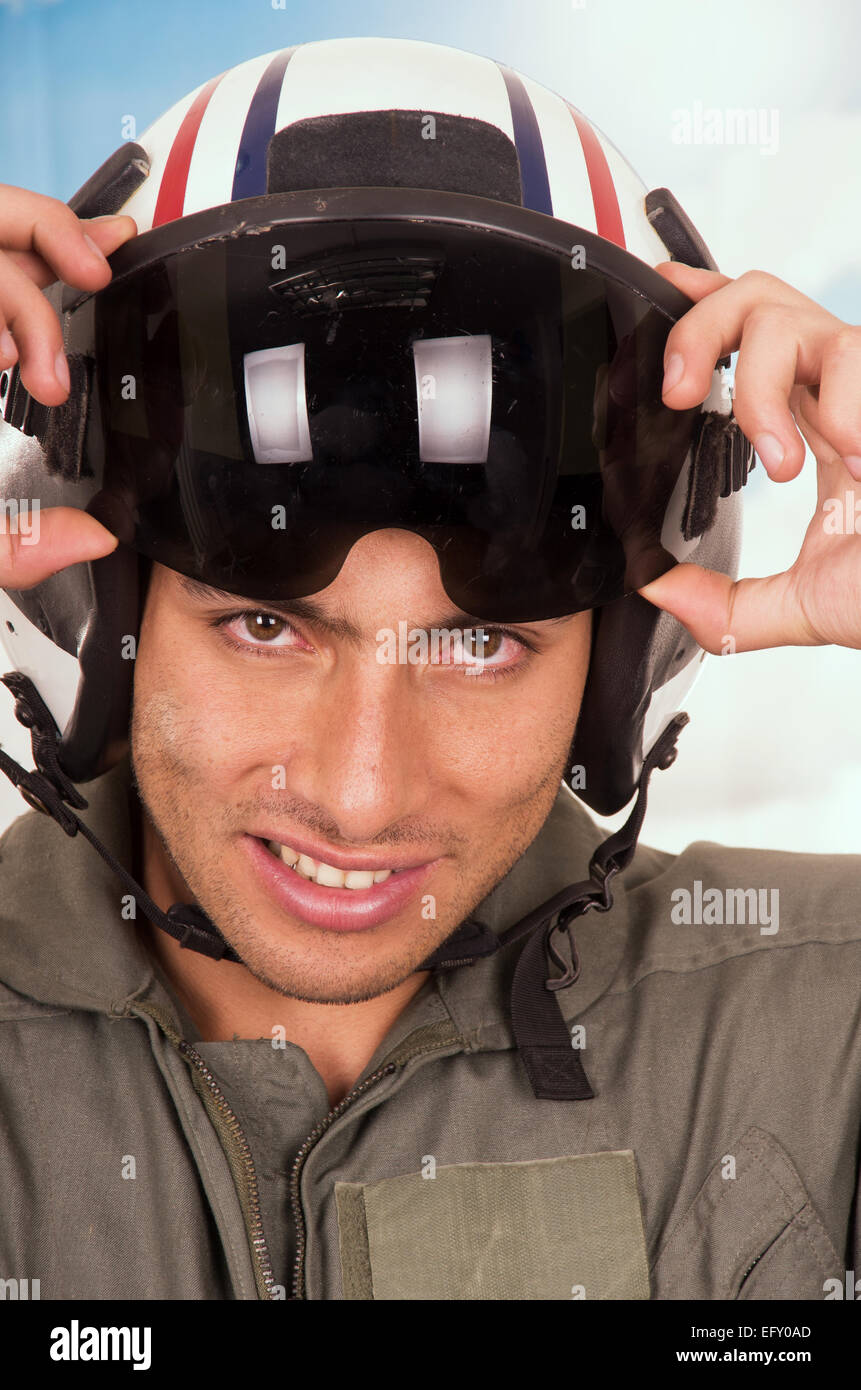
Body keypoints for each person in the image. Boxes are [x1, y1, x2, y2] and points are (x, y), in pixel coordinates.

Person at [0, 36, 860, 1303]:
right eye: (267, 626)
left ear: (619, 666)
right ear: (103, 615)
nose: (360, 792)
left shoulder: (818, 1023)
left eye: (478, 643)